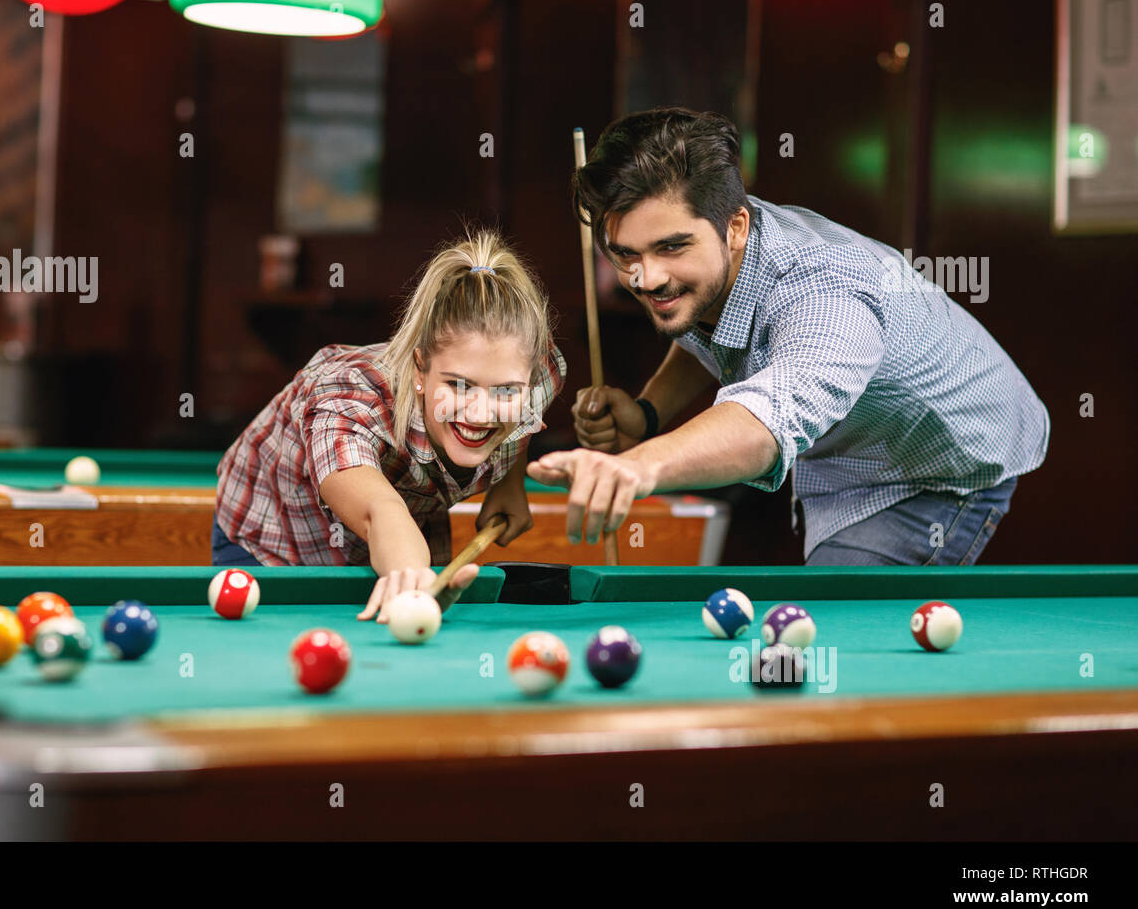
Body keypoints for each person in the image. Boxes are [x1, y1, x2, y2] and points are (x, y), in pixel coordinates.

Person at [529, 108, 1048, 565]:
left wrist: (639, 466)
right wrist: (647, 415)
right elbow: (703, 328)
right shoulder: (705, 266)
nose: (648, 278)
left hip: (935, 466)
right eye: (625, 254)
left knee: (832, 646)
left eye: (671, 248)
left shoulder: (825, 291)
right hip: (847, 450)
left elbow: (770, 416)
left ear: (736, 227)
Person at [214, 230, 566, 617]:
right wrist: (411, 575)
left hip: (404, 534)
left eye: (505, 391)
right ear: (420, 368)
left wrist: (509, 483)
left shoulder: (542, 371)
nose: (481, 413)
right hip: (275, 539)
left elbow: (521, 421)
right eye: (458, 385)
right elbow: (379, 511)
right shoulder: (347, 397)